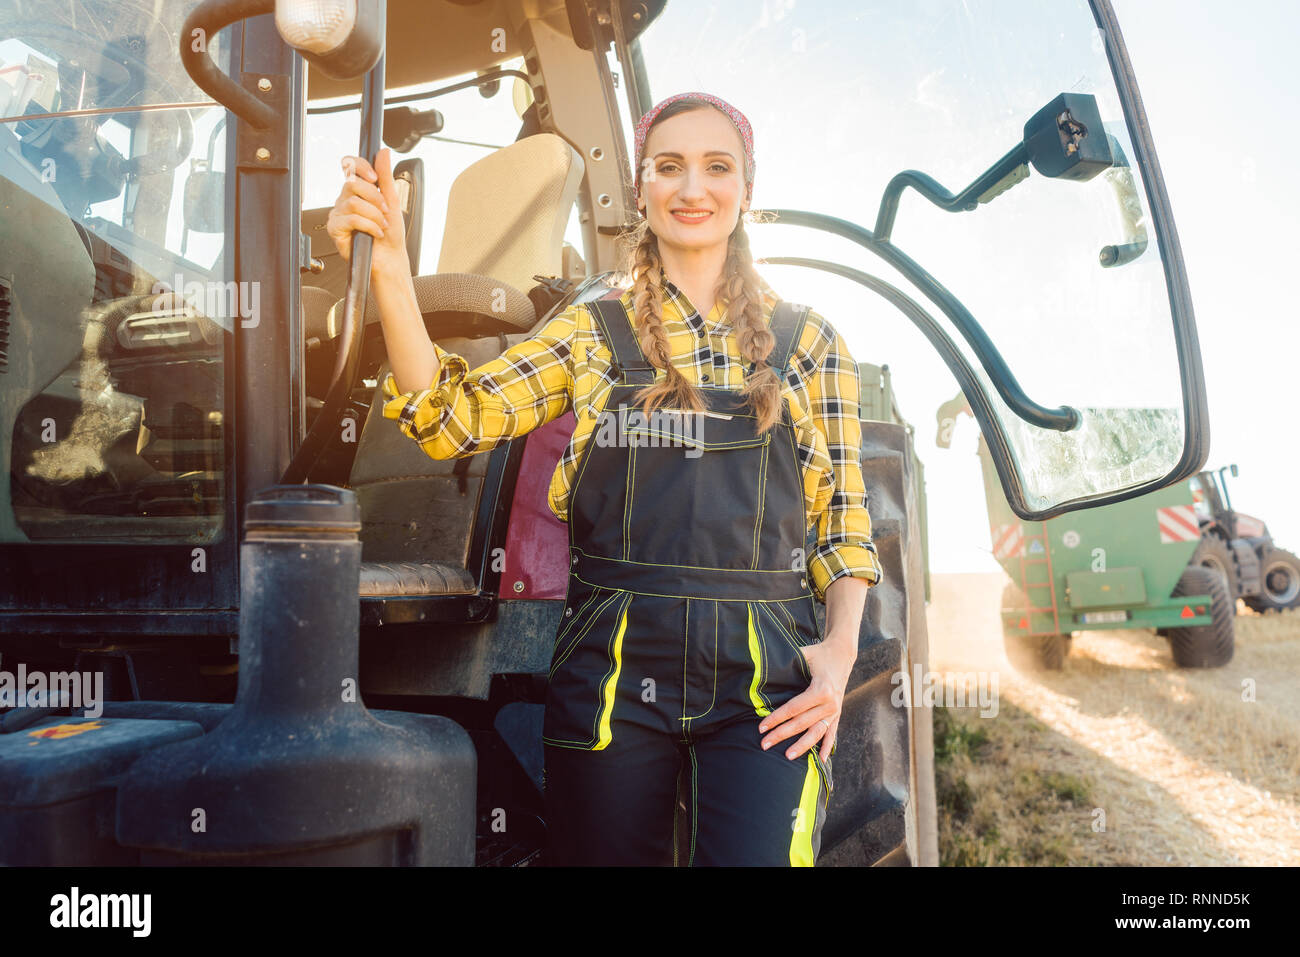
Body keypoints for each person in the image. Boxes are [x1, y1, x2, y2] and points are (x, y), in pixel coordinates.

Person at [326, 91, 882, 866]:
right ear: (642, 188)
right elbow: (452, 416)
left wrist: (844, 648)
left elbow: (845, 524)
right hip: (615, 664)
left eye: (717, 168)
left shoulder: (809, 343)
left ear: (747, 191)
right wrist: (390, 265)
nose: (693, 189)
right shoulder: (593, 332)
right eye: (670, 167)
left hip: (768, 677)